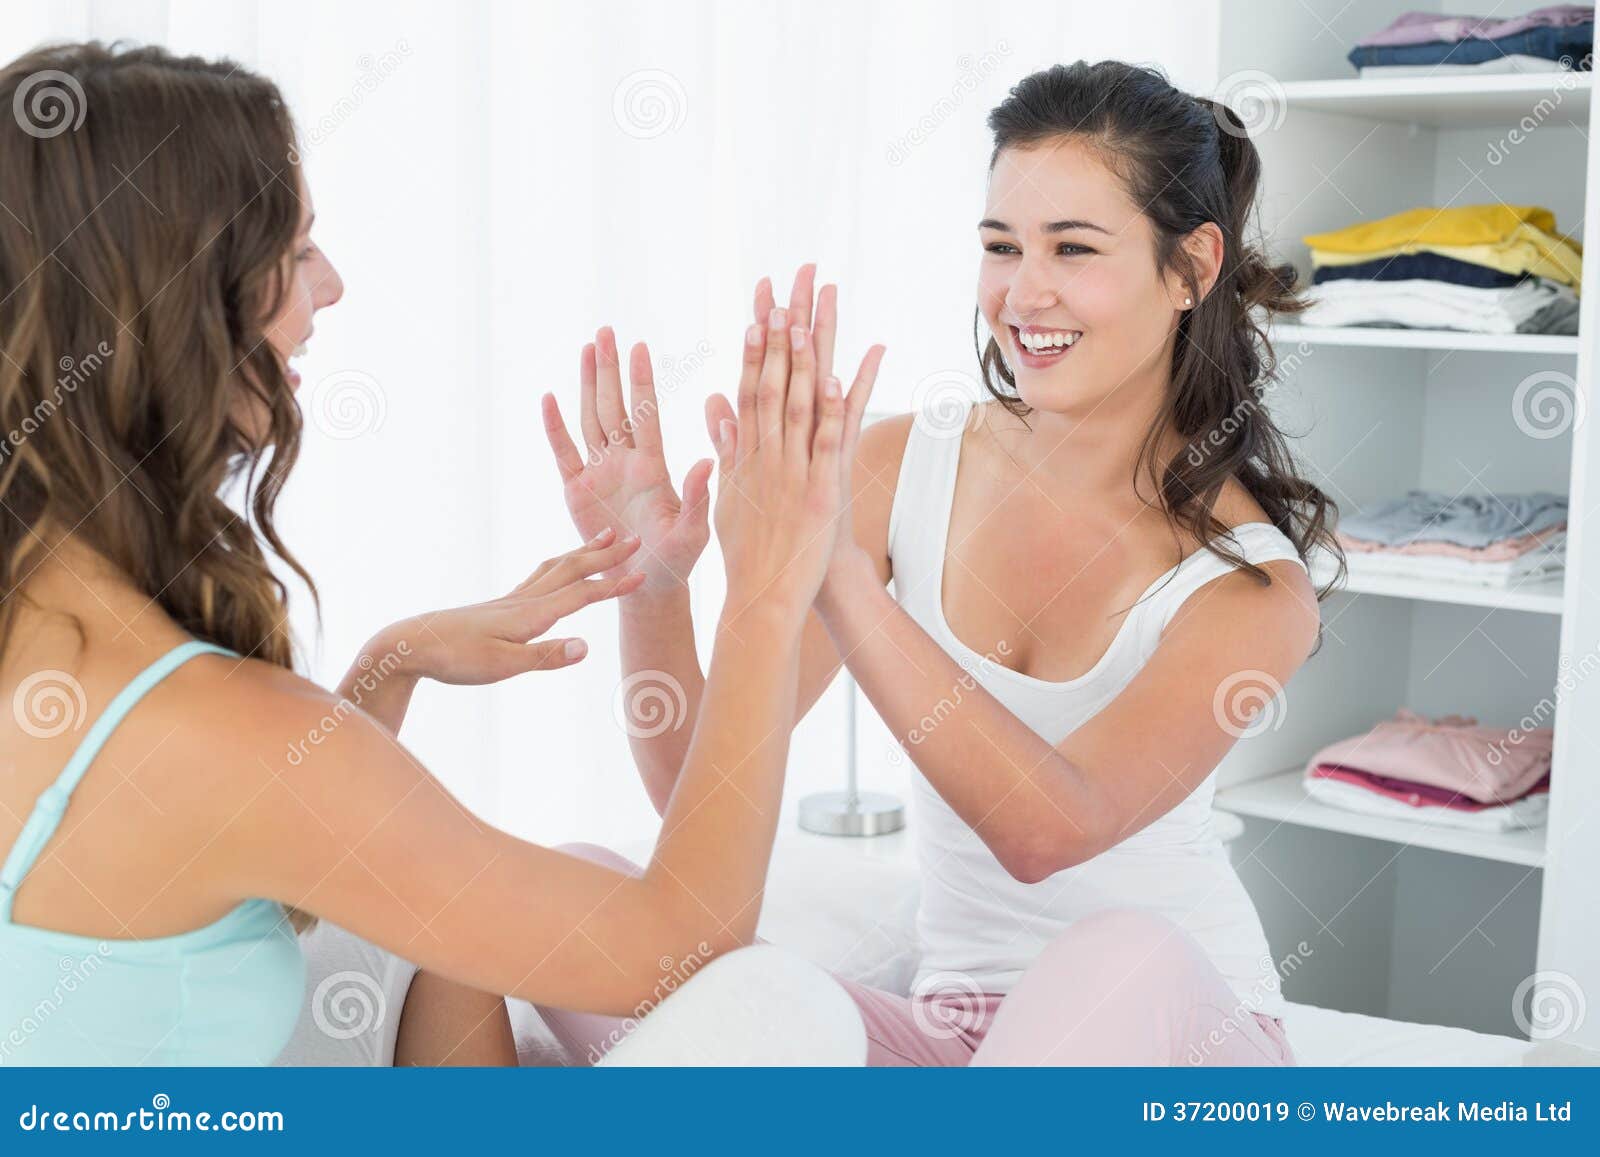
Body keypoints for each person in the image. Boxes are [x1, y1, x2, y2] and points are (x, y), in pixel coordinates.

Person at [0, 41, 877, 1066]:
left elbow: (213, 855)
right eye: (296, 247)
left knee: (449, 939)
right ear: (173, 302)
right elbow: (679, 943)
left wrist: (389, 662)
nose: (330, 286)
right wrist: (767, 591)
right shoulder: (219, 734)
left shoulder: (72, 651)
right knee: (782, 1011)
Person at [539, 60, 1343, 1066]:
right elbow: (697, 797)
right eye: (1000, 246)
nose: (1023, 291)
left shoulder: (1250, 587)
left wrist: (829, 568)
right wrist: (654, 585)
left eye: (1073, 248)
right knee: (573, 904)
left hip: (1175, 1039)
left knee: (1119, 955)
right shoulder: (896, 468)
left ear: (1189, 268)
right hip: (957, 1040)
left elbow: (1048, 829)